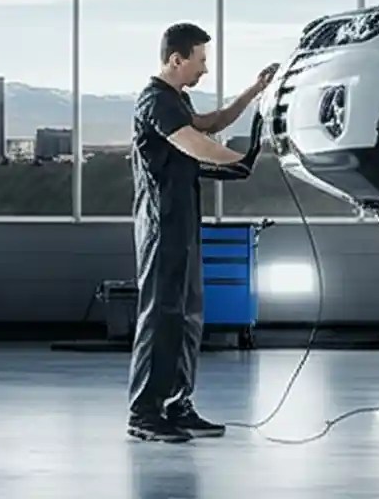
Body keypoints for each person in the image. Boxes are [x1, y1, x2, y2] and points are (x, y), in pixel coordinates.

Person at [126, 22, 278, 443]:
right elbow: (195, 144)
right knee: (161, 316)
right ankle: (144, 413)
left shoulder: (177, 99)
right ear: (176, 59)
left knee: (189, 315)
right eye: (201, 60)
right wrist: (240, 159)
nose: (204, 69)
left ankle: (178, 405)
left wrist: (254, 91)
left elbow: (210, 123)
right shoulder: (155, 100)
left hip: (183, 220)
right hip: (162, 222)